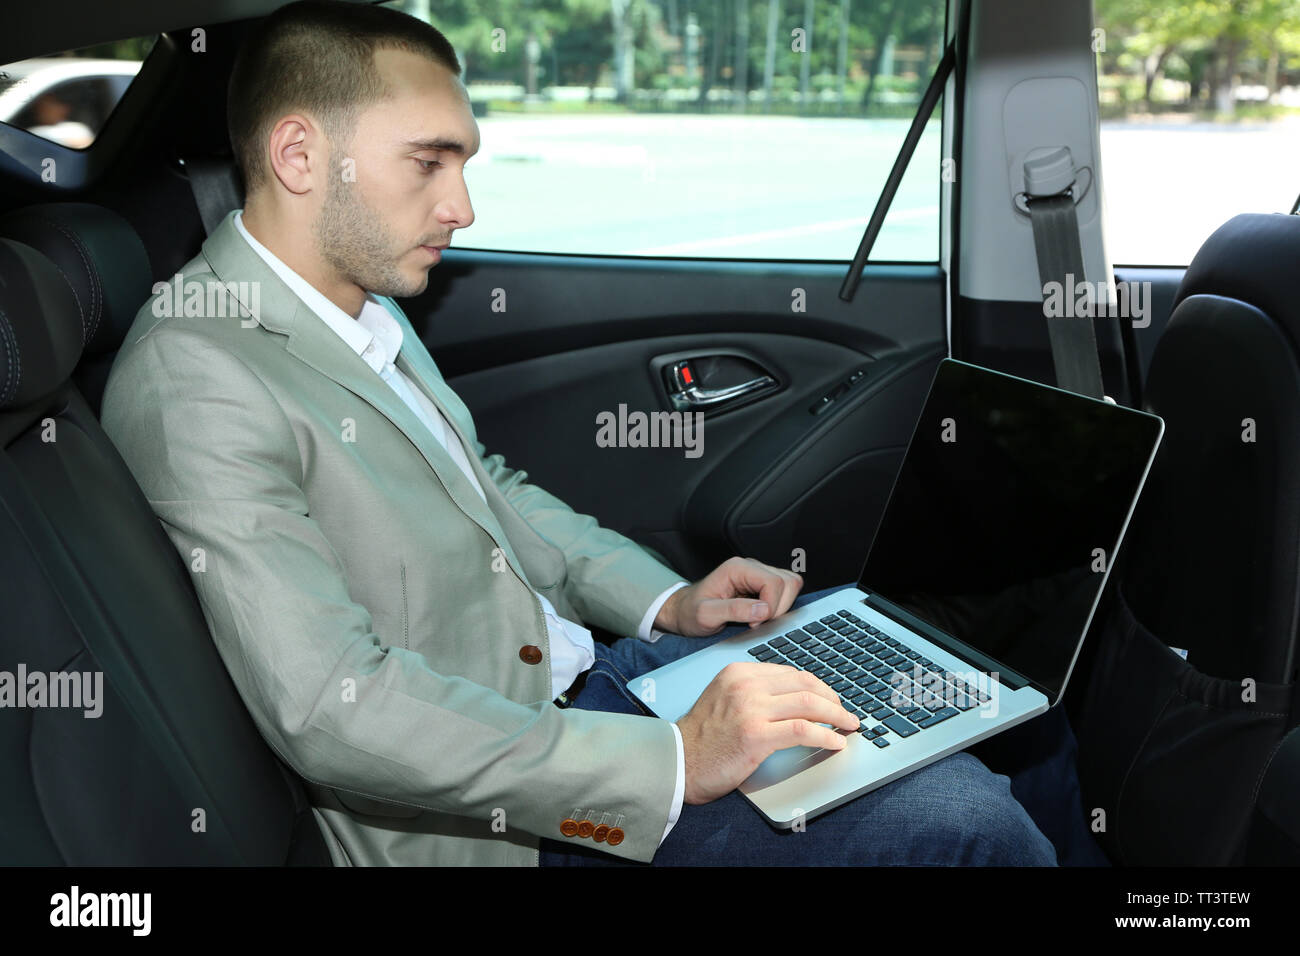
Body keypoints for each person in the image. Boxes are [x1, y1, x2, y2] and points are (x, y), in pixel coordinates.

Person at [100, 0, 1081, 866]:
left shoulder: (358, 306)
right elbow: (331, 704)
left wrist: (667, 605)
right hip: (513, 811)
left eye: (464, 162)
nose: (462, 206)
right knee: (970, 824)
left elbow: (486, 487)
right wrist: (671, 756)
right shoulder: (199, 373)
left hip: (592, 683)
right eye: (428, 162)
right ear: (300, 155)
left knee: (988, 694)